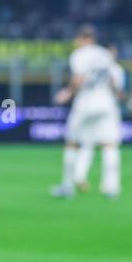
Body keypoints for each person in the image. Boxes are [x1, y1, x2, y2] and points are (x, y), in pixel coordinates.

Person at [51, 26, 122, 199]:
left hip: (85, 102)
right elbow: (112, 80)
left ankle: (67, 186)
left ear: (82, 38)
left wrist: (67, 92)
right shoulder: (105, 54)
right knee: (109, 145)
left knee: (72, 143)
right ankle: (111, 187)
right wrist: (118, 95)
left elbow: (79, 77)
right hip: (106, 102)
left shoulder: (79, 55)